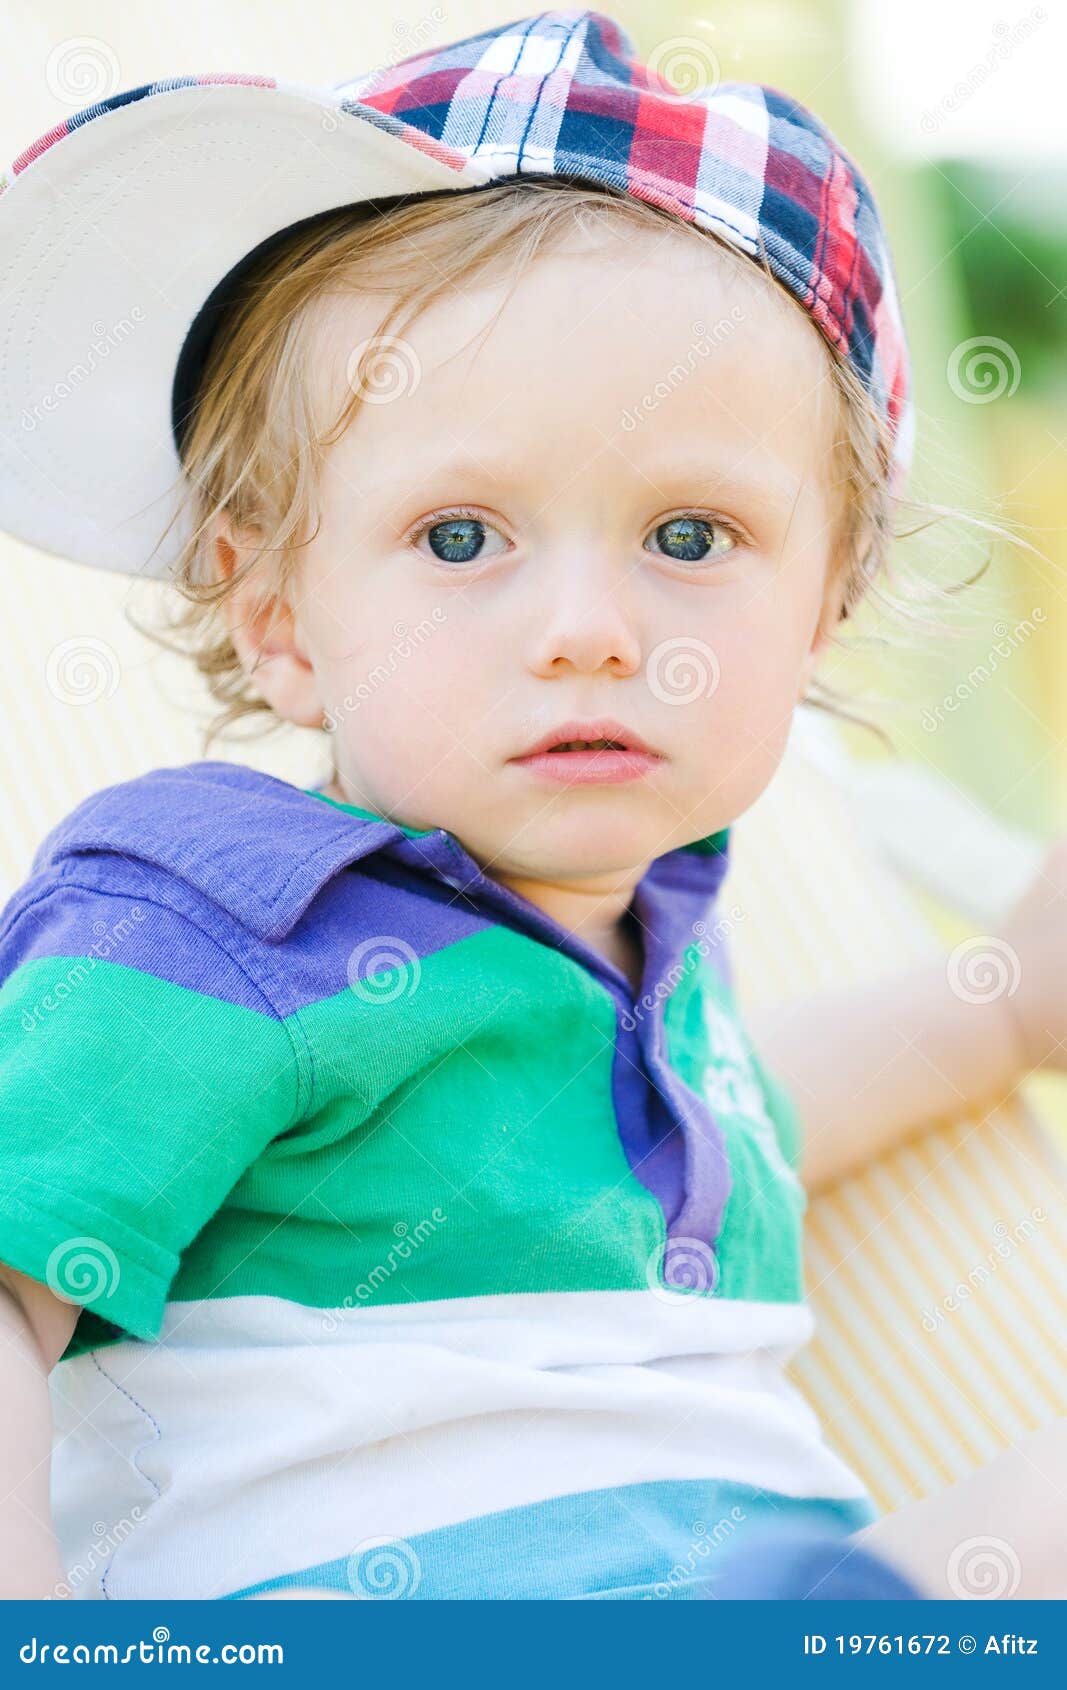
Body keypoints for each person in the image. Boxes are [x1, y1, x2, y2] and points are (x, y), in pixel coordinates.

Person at [0, 10, 1062, 1602]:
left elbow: (741, 1133)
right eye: (459, 536)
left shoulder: (661, 975)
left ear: (826, 605)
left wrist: (997, 1014)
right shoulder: (211, 913)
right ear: (277, 613)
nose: (590, 628)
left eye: (692, 538)